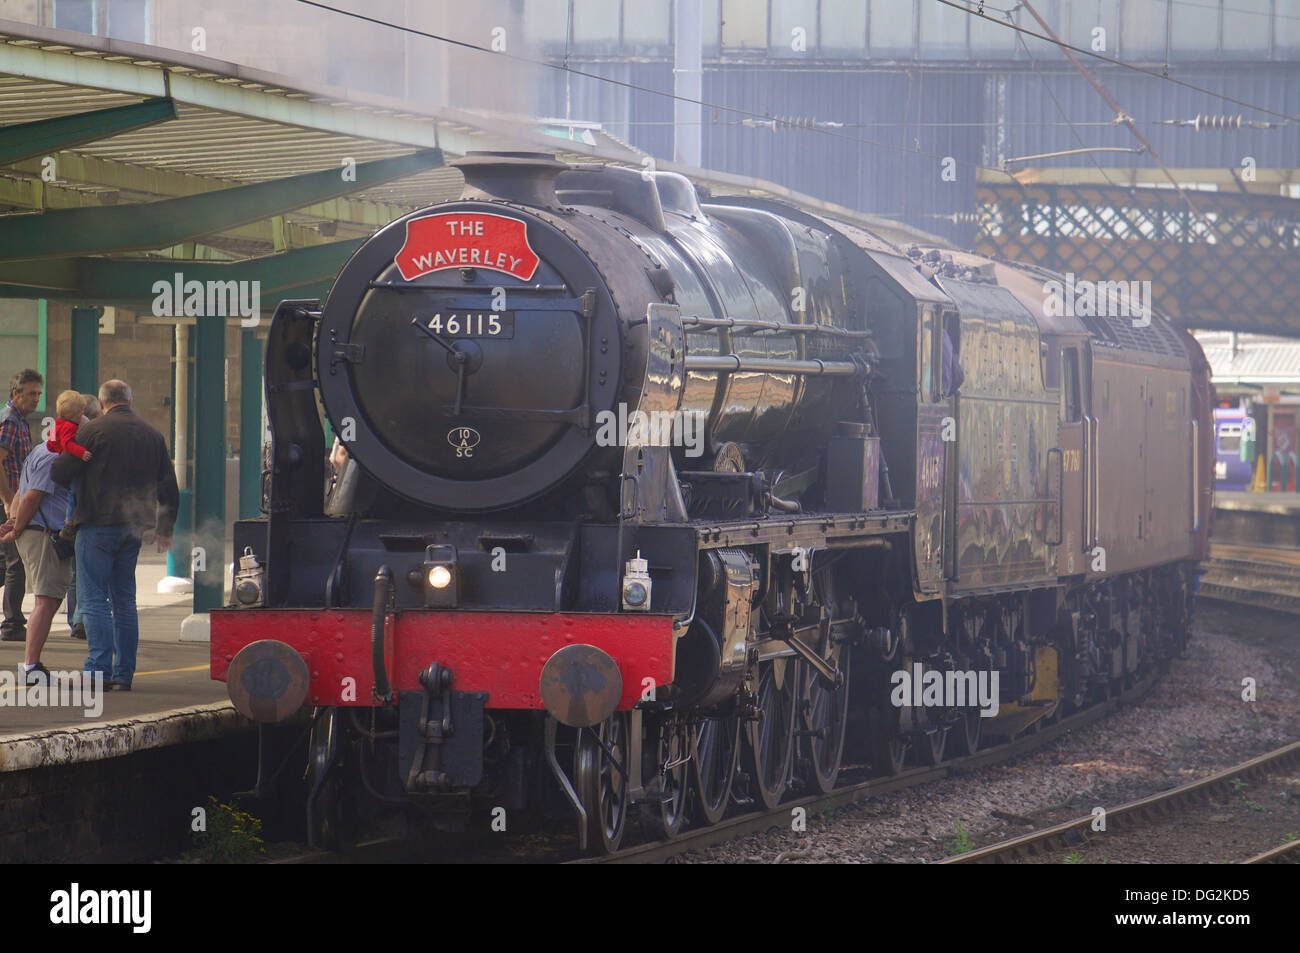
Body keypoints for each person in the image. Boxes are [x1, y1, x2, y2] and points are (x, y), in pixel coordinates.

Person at [51, 380, 179, 691]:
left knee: (94, 599)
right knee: (124, 599)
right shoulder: (152, 434)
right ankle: (124, 673)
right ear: (130, 399)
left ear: (103, 403)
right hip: (133, 528)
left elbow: (59, 472)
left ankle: (98, 672)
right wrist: (164, 529)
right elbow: (169, 487)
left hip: (96, 524)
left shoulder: (93, 431)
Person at [0, 391, 82, 684]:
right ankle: (30, 667)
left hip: (34, 530)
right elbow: (33, 496)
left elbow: (23, 488)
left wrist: (13, 522)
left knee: (48, 599)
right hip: (43, 533)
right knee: (46, 601)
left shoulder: (39, 450)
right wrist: (18, 526)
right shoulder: (54, 456)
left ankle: (32, 665)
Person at [0, 369, 42, 643]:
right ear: (16, 394)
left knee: (7, 563)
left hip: (13, 501)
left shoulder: (20, 420)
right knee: (16, 564)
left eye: (38, 394)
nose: (36, 399)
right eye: (31, 394)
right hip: (8, 503)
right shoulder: (10, 421)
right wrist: (7, 500)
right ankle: (13, 623)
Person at [64, 394, 102, 640]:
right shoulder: (90, 445)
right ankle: (82, 620)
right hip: (90, 518)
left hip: (73, 517)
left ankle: (74, 619)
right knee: (91, 573)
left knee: (75, 573)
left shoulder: (67, 442)